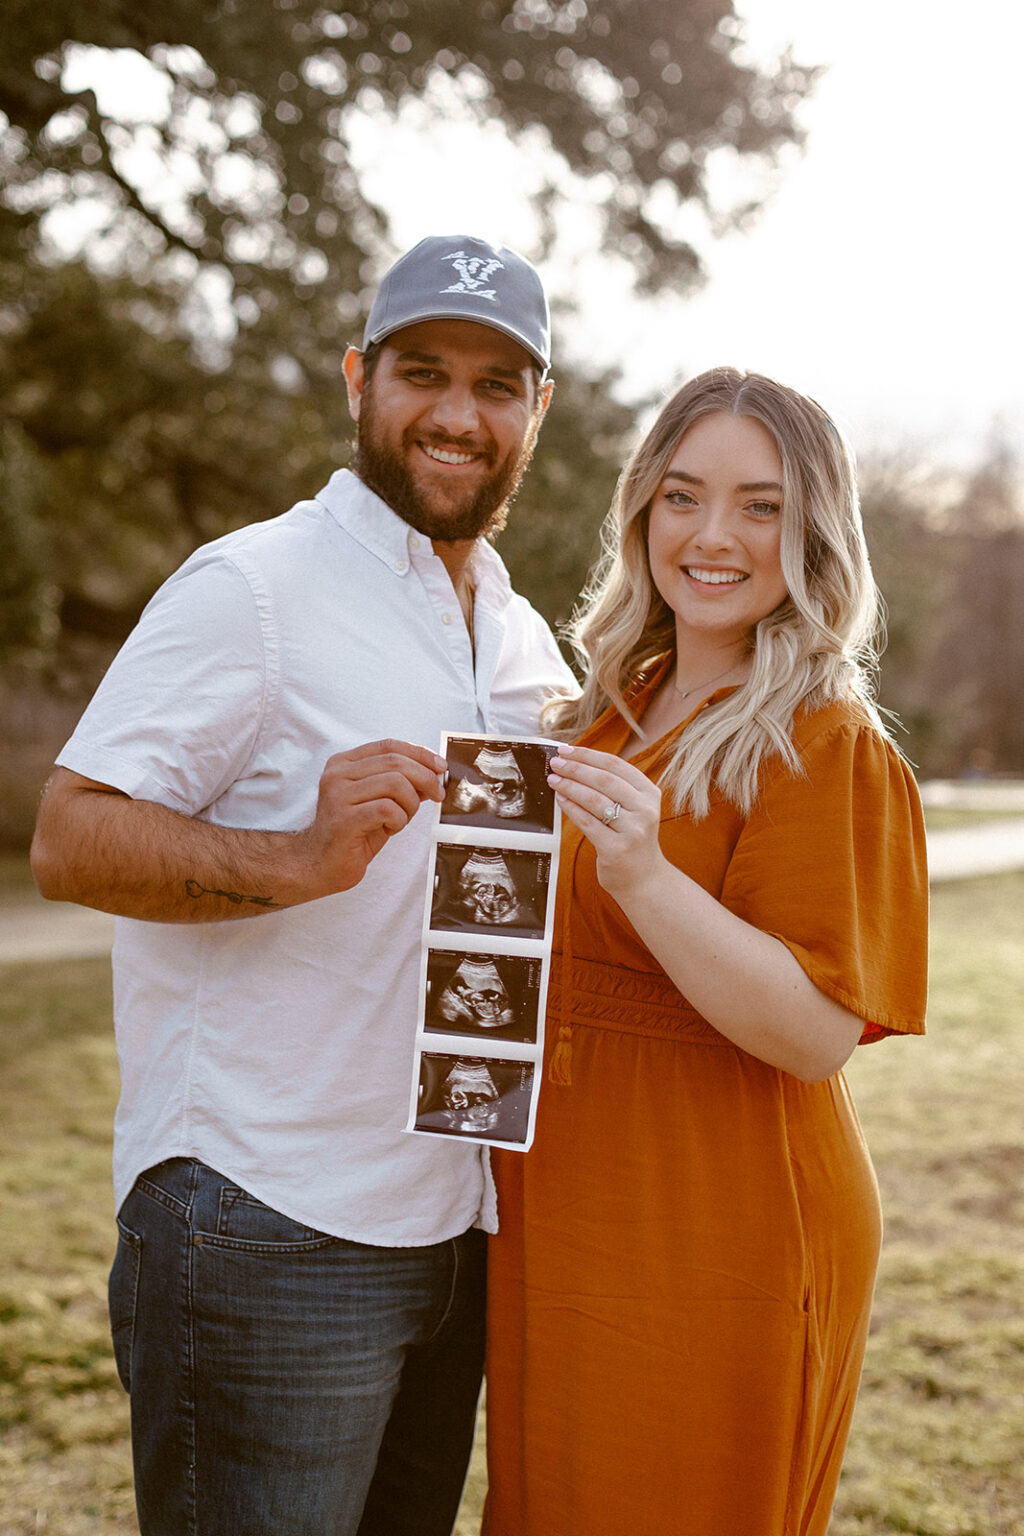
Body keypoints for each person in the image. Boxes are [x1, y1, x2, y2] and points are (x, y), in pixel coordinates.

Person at [29, 234, 576, 1536]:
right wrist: (293, 859)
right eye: (422, 372)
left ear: (537, 412)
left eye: (498, 385)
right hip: (264, 1224)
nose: (457, 414)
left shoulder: (518, 634)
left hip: (455, 1226)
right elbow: (69, 836)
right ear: (357, 380)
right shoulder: (255, 588)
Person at [483, 367, 929, 1536]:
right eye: (682, 496)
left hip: (717, 1222)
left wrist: (643, 875)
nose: (713, 534)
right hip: (568, 1207)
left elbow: (815, 1030)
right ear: (641, 513)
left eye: (760, 504)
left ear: (814, 530)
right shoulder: (603, 714)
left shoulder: (824, 740)